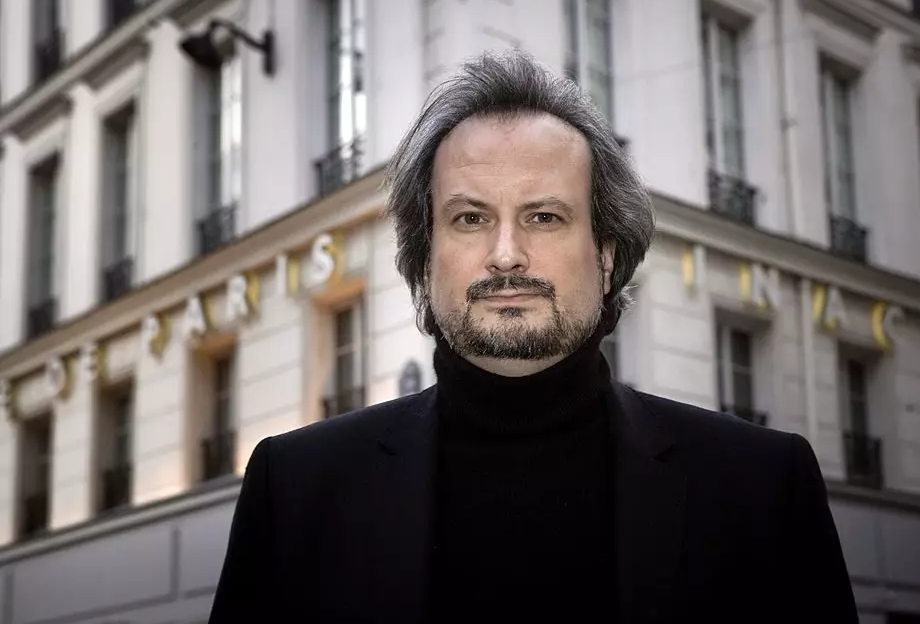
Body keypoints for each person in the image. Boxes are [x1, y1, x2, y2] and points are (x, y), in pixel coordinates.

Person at [208, 51, 858, 623]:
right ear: (425, 255)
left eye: (544, 216)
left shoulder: (765, 491)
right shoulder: (292, 492)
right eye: (470, 217)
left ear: (606, 254)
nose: (507, 254)